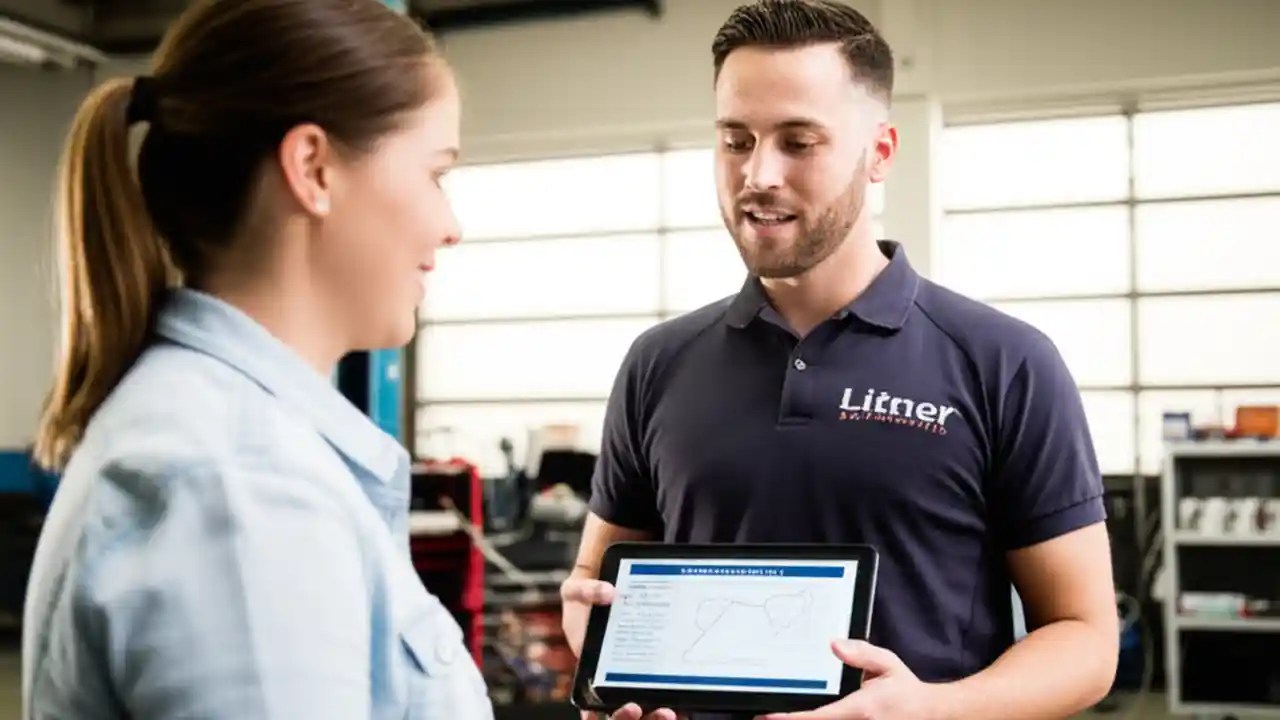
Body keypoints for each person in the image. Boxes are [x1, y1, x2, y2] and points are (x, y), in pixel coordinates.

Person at [561, 2, 1119, 719]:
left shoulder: (1004, 362)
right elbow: (594, 580)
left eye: (799, 141)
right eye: (736, 140)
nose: (758, 173)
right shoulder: (658, 363)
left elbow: (1085, 639)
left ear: (880, 152)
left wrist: (925, 710)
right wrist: (606, 663)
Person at [20, 1, 498, 717]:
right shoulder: (240, 487)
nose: (450, 226)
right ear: (313, 168)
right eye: (436, 174)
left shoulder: (236, 445)